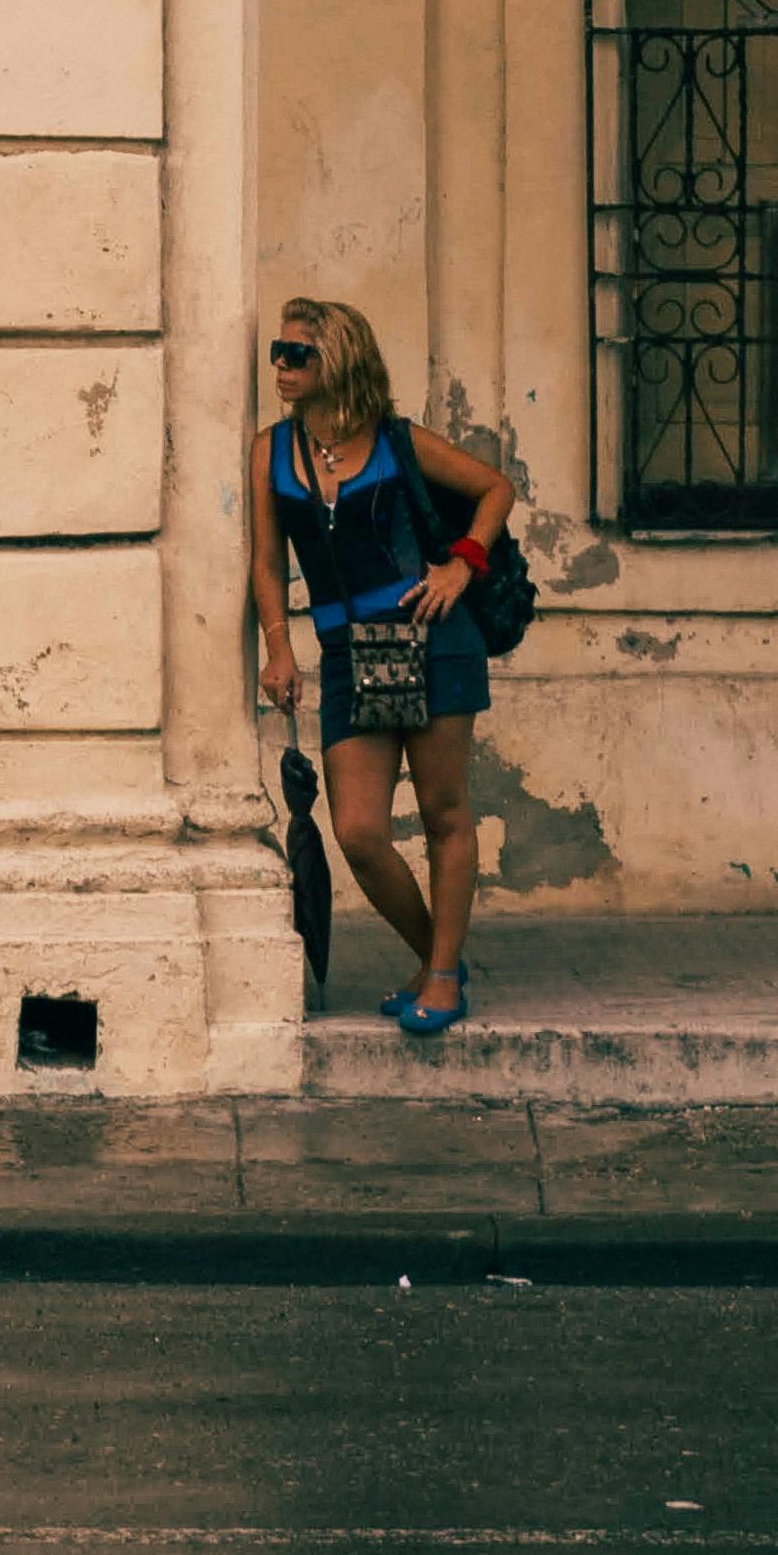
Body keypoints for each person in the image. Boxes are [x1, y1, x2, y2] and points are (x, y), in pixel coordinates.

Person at [247, 296, 514, 1037]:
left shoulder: (398, 441)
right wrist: (277, 645)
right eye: (278, 351)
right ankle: (441, 959)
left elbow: (497, 488)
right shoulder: (271, 449)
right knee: (360, 829)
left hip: (432, 636)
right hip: (346, 651)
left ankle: (440, 976)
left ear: (338, 359)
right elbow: (267, 560)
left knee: (444, 810)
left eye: (297, 353)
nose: (281, 365)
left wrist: (463, 564)